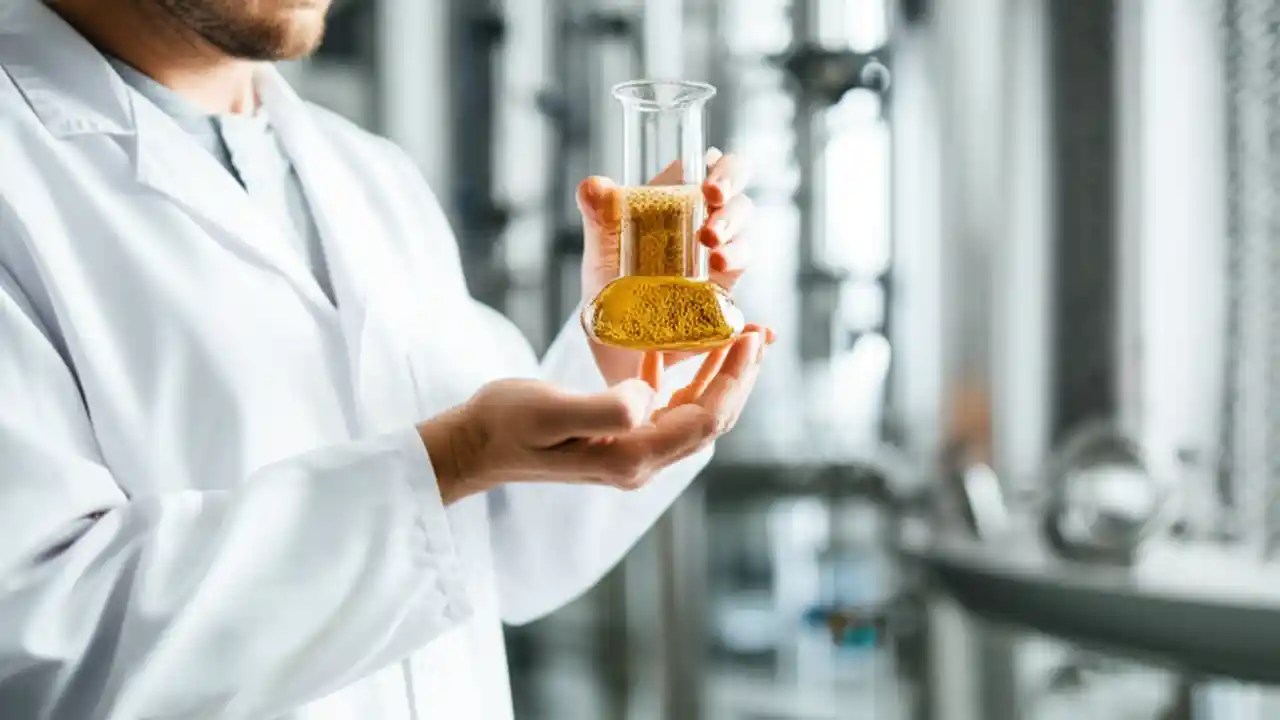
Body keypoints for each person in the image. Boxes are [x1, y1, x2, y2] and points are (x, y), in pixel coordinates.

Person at [0, 0, 770, 717]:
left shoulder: (369, 175)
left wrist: (621, 360)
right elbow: (43, 649)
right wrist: (452, 460)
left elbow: (505, 555)